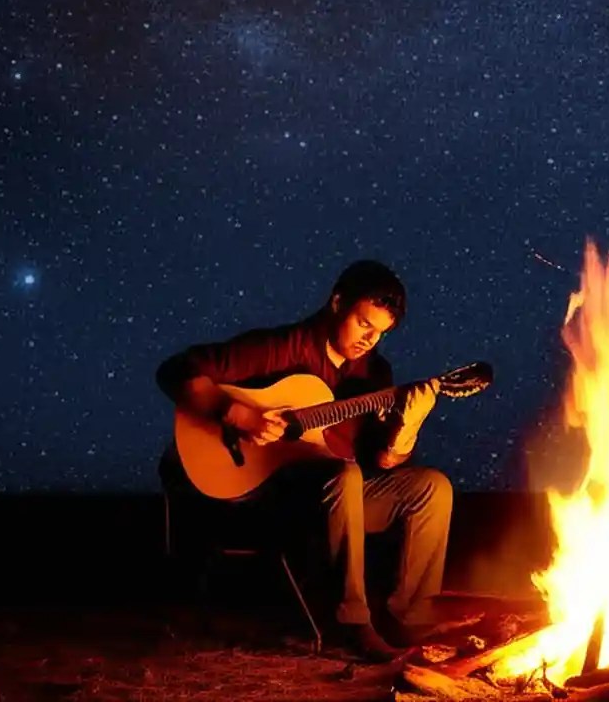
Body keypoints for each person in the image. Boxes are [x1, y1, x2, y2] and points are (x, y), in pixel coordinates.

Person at [154, 260, 452, 662]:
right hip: (267, 497)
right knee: (344, 474)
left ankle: (410, 618)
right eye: (364, 324)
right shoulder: (280, 348)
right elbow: (175, 370)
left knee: (431, 487)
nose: (370, 339)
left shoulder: (374, 373)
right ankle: (351, 623)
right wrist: (239, 415)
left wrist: (408, 426)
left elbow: (382, 461)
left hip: (336, 503)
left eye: (381, 332)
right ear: (337, 303)